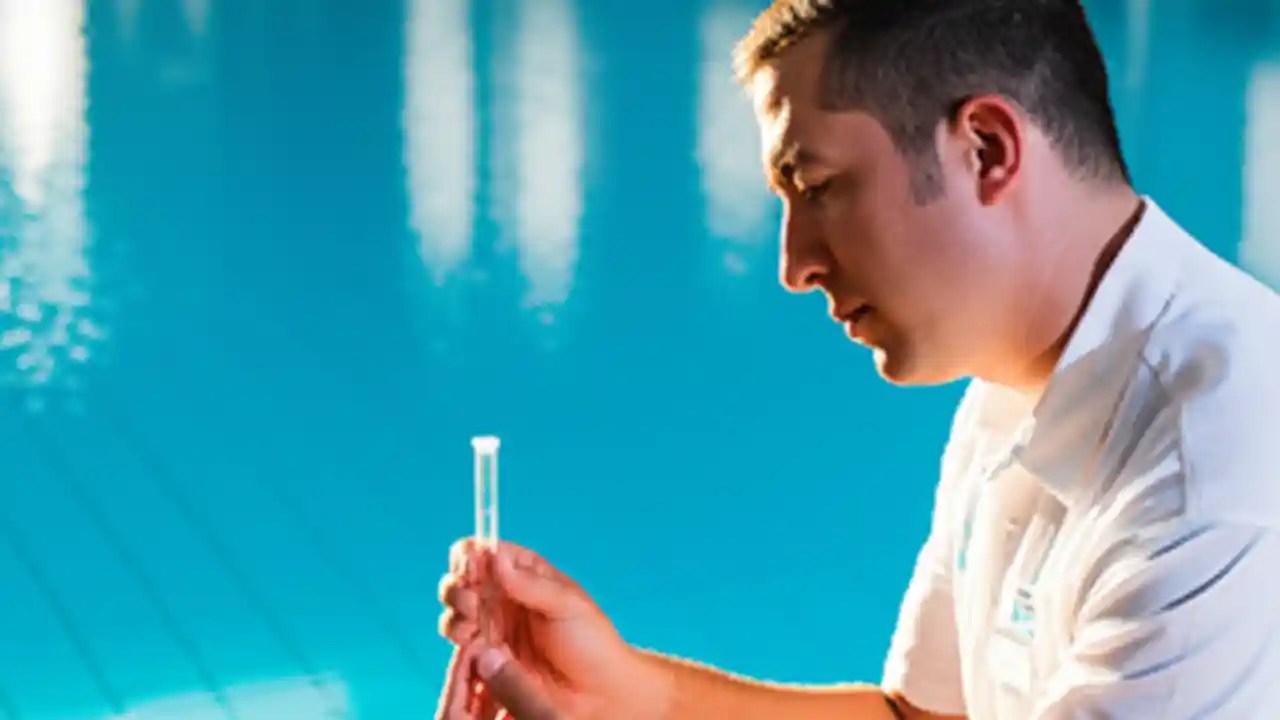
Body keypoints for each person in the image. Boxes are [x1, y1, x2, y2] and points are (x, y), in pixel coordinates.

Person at [436, 0, 1280, 717]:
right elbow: (924, 716)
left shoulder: (1215, 469)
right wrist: (630, 697)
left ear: (986, 149)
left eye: (818, 187)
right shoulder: (1018, 378)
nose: (794, 265)